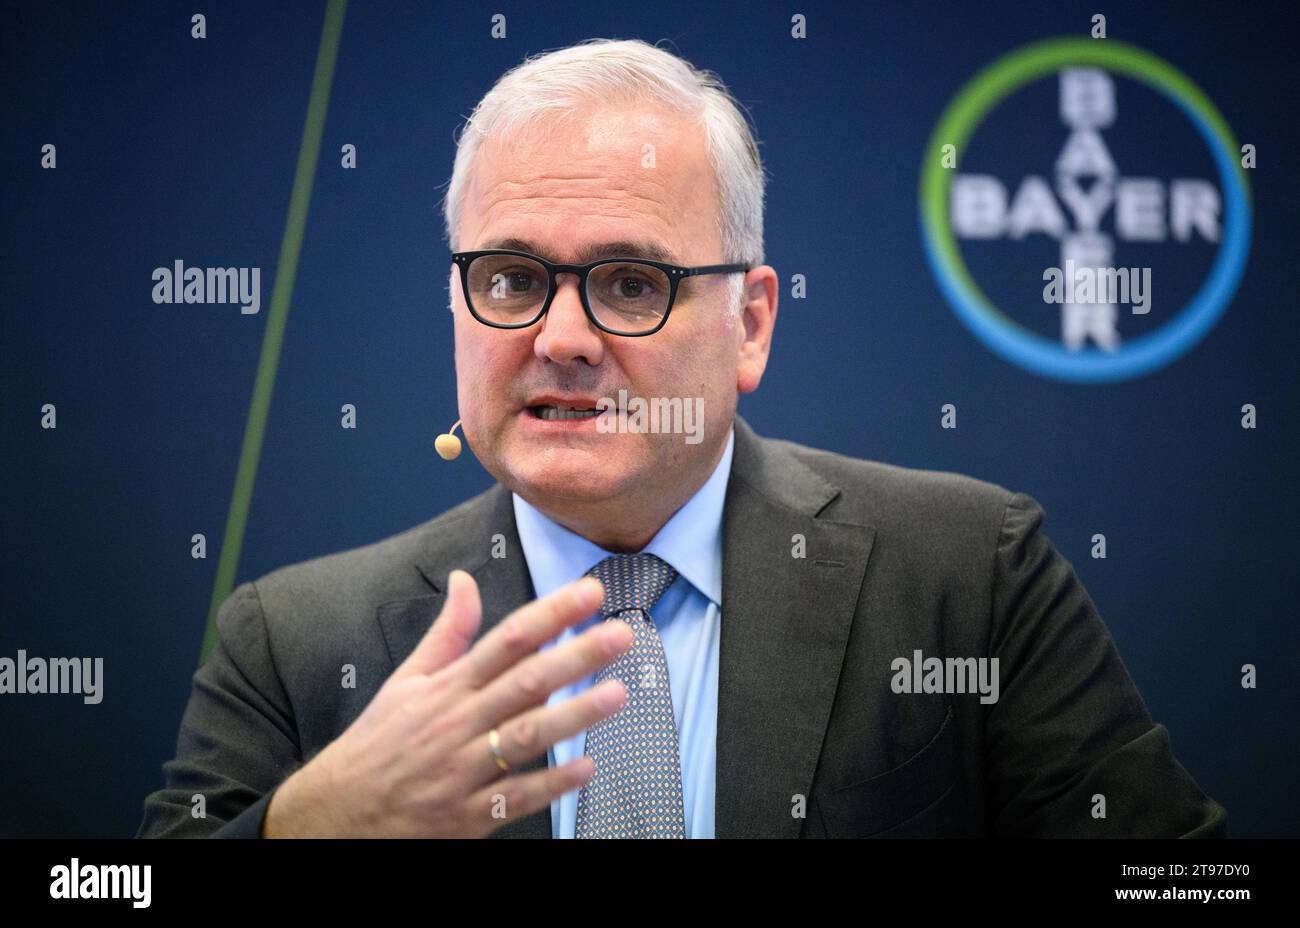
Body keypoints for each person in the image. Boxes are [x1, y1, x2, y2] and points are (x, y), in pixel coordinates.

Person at [137, 38, 1227, 839]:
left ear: (749, 323)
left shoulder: (967, 571)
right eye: (511, 278)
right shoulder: (289, 637)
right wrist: (297, 830)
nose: (561, 338)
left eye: (630, 282)